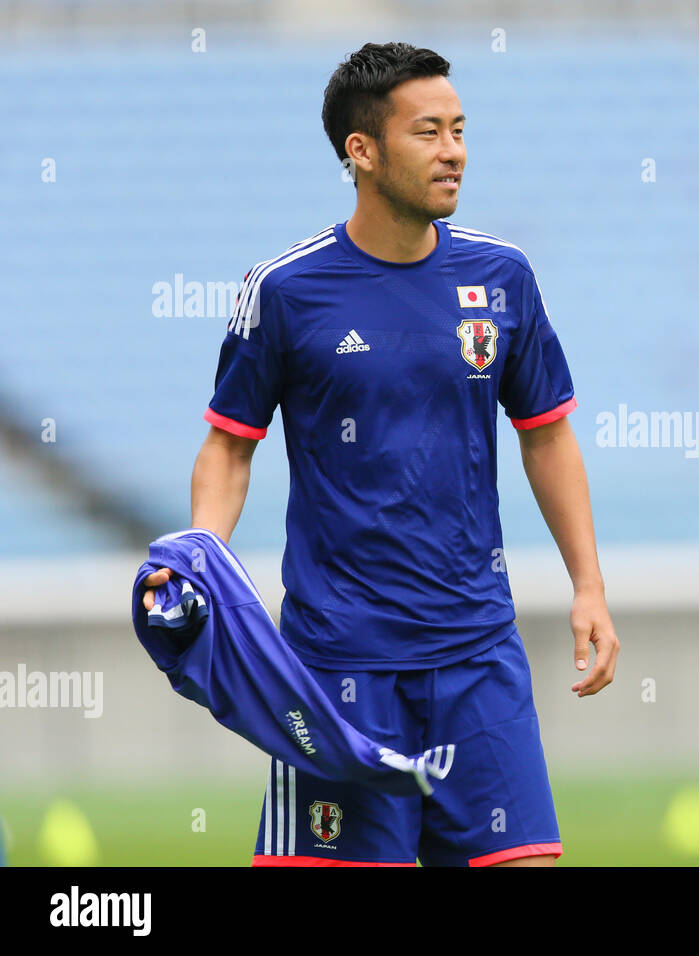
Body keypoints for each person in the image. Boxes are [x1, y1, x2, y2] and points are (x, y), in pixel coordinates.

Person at [141, 41, 618, 867]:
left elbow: (545, 432)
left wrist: (589, 586)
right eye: (429, 131)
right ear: (361, 151)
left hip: (478, 651)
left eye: (460, 129)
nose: (454, 151)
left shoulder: (501, 276)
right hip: (338, 665)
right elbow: (229, 446)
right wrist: (200, 559)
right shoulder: (286, 290)